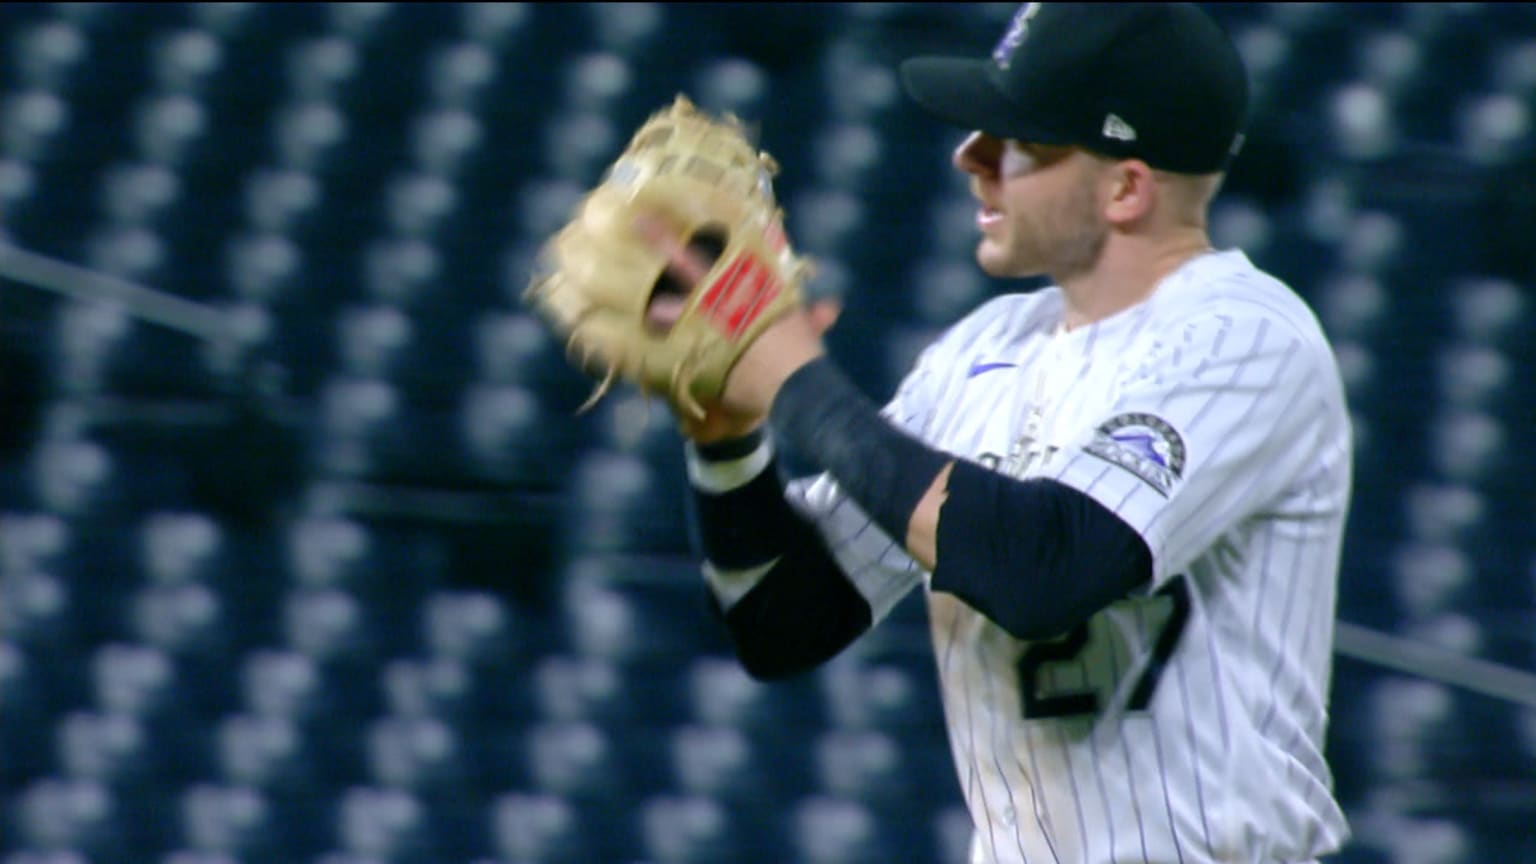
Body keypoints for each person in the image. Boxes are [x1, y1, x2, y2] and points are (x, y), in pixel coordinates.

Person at [650, 3, 1354, 862]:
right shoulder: (984, 351)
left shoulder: (1245, 335)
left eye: (1020, 137)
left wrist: (792, 377)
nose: (971, 156)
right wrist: (729, 441)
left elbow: (1046, 569)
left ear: (1127, 187)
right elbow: (783, 623)